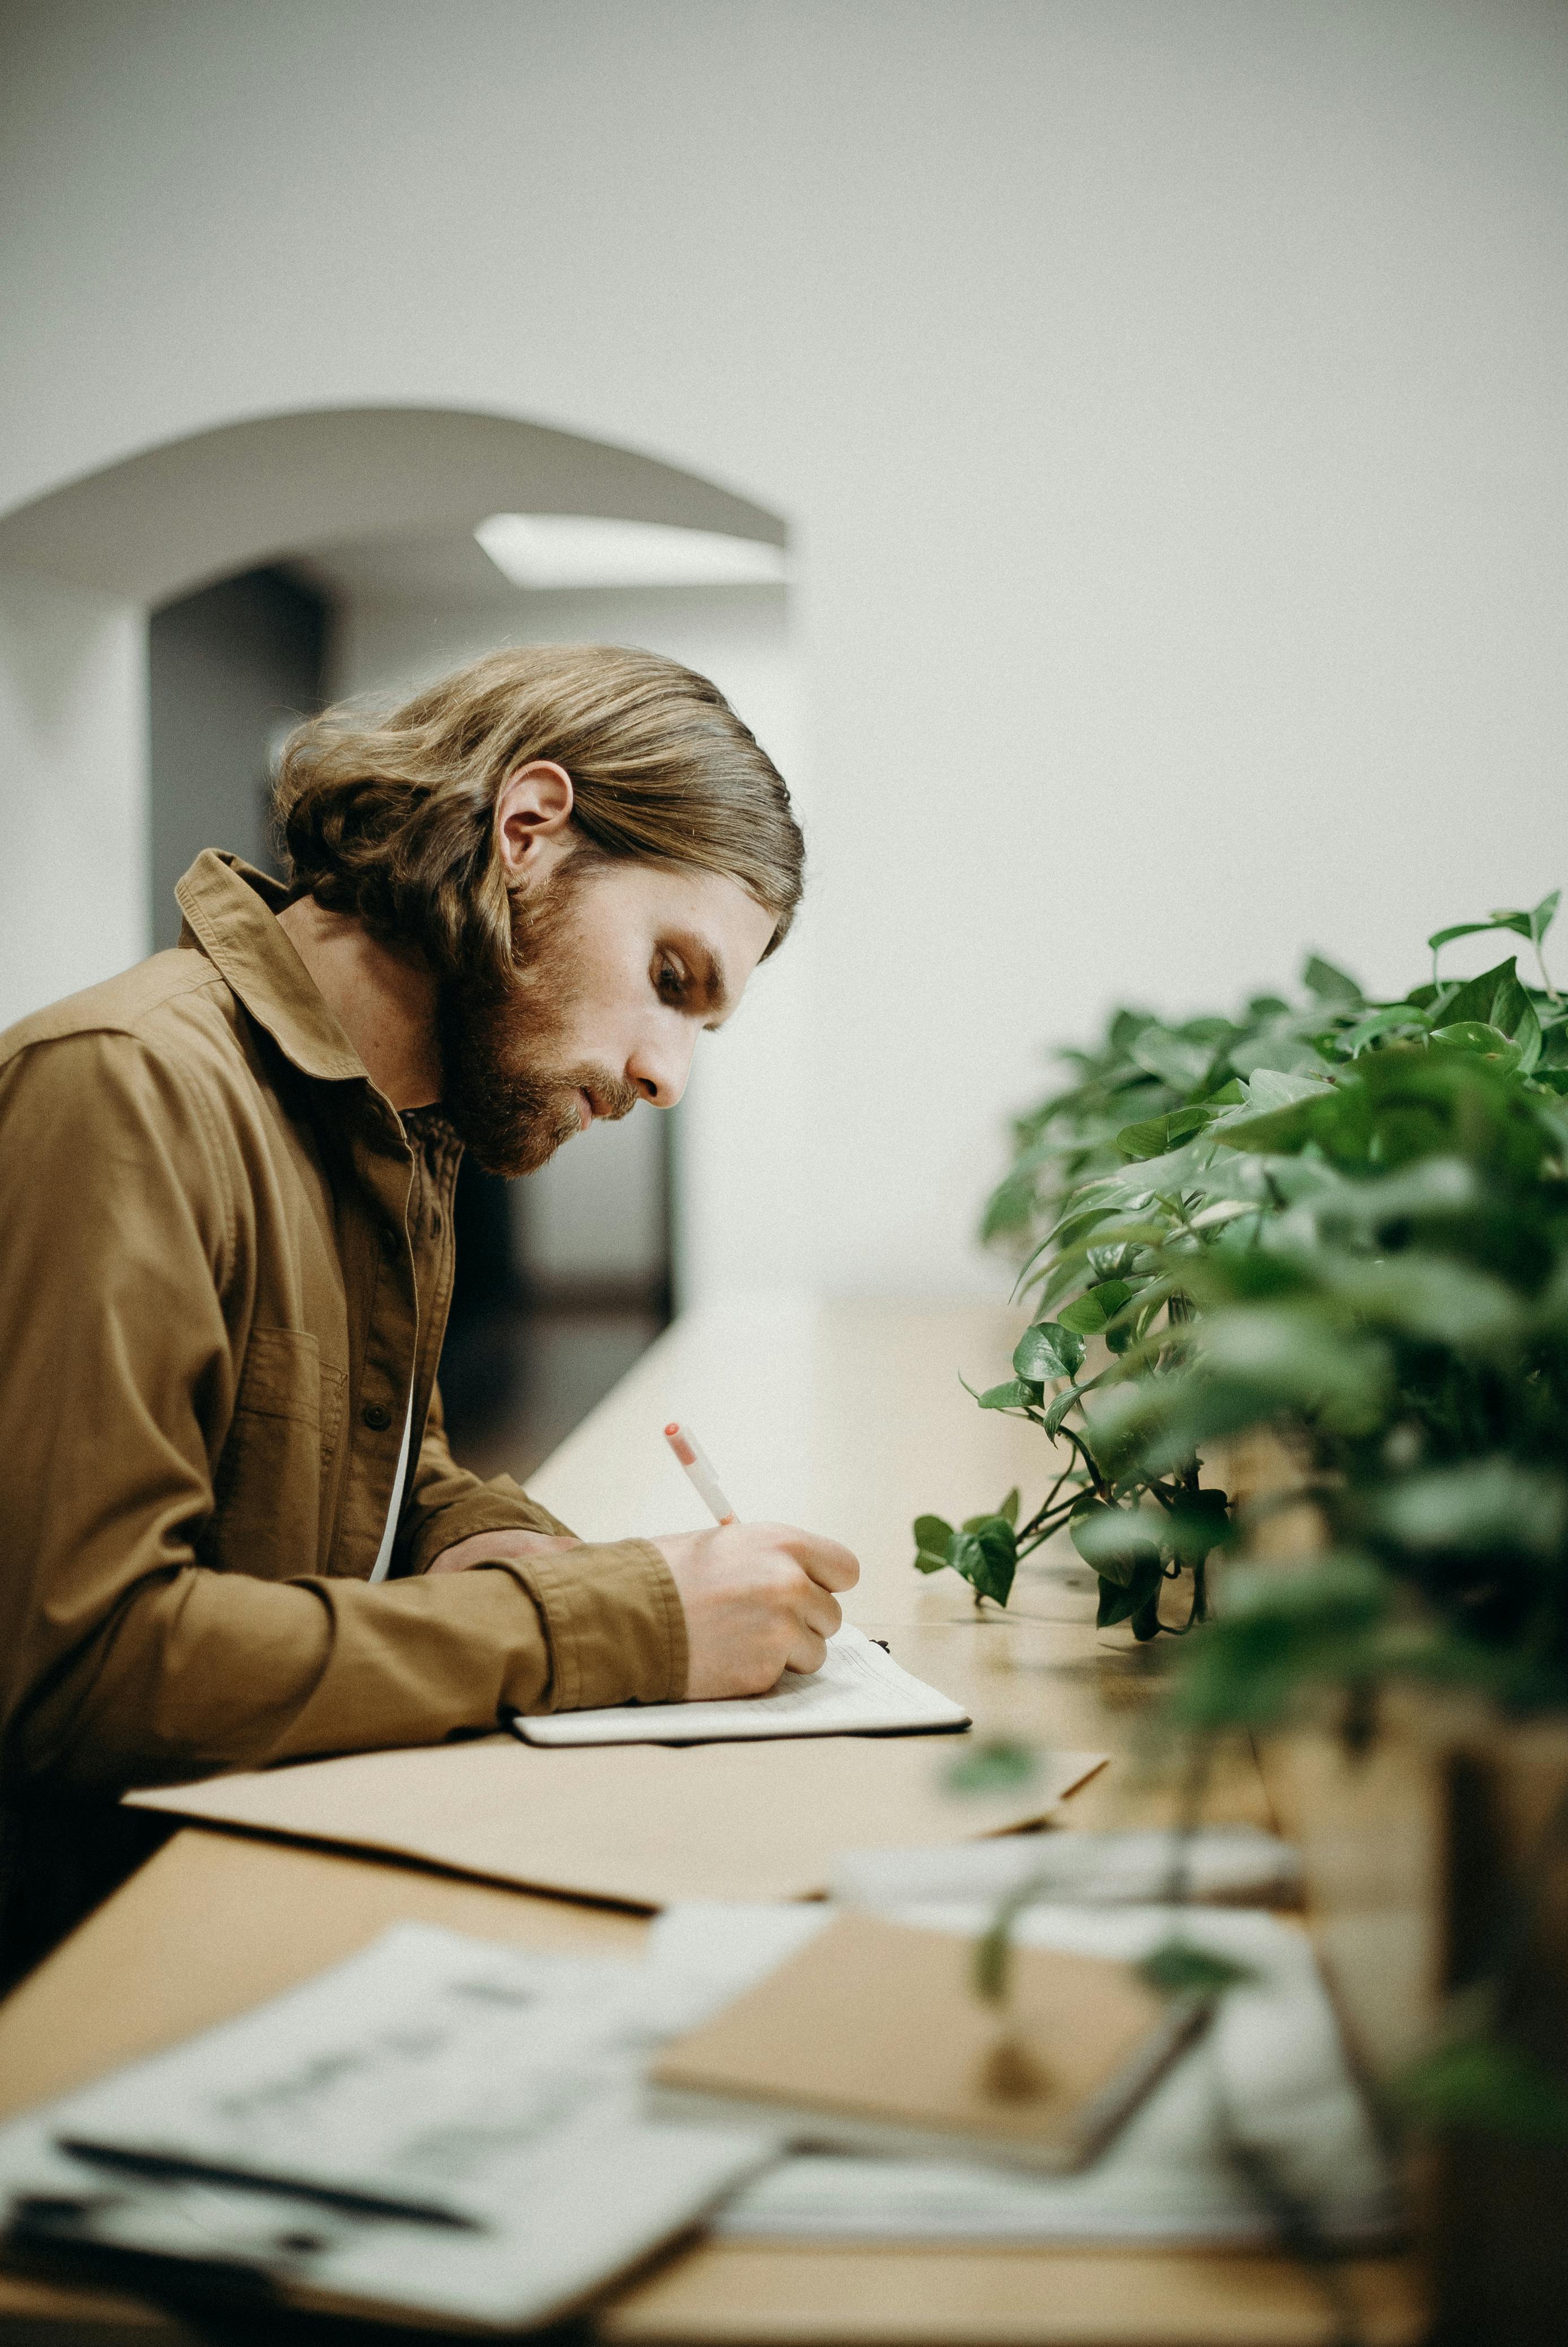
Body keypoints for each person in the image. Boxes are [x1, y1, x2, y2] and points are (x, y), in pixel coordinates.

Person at [0, 643, 858, 1981]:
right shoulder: (124, 1090)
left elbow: (385, 1469)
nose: (667, 1076)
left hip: (278, 1854)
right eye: (668, 977)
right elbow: (86, 1671)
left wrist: (500, 1547)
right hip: (91, 1955)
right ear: (528, 832)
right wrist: (617, 1621)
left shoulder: (406, 1124)